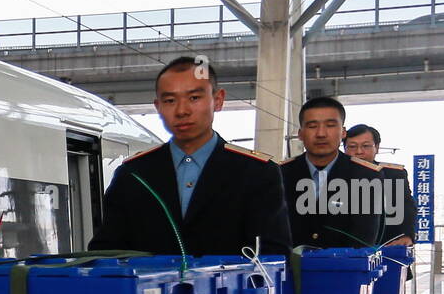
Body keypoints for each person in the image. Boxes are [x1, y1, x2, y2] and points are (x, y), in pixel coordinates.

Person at [89, 56, 291, 256]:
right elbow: (106, 253)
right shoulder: (133, 175)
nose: (182, 111)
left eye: (194, 98)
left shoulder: (257, 173)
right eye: (170, 100)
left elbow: (273, 257)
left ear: (218, 100)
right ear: (158, 107)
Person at [281, 96, 385, 249]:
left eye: (330, 125)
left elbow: (363, 238)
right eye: (312, 126)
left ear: (343, 133)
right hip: (288, 271)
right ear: (300, 134)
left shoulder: (366, 176)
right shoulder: (280, 174)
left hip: (345, 269)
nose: (321, 133)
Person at [344, 123, 413, 246]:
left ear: (377, 147)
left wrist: (407, 235)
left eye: (366, 146)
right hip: (345, 251)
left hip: (387, 247)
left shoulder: (394, 174)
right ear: (345, 149)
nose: (359, 152)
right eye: (352, 147)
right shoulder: (333, 176)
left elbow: (407, 208)